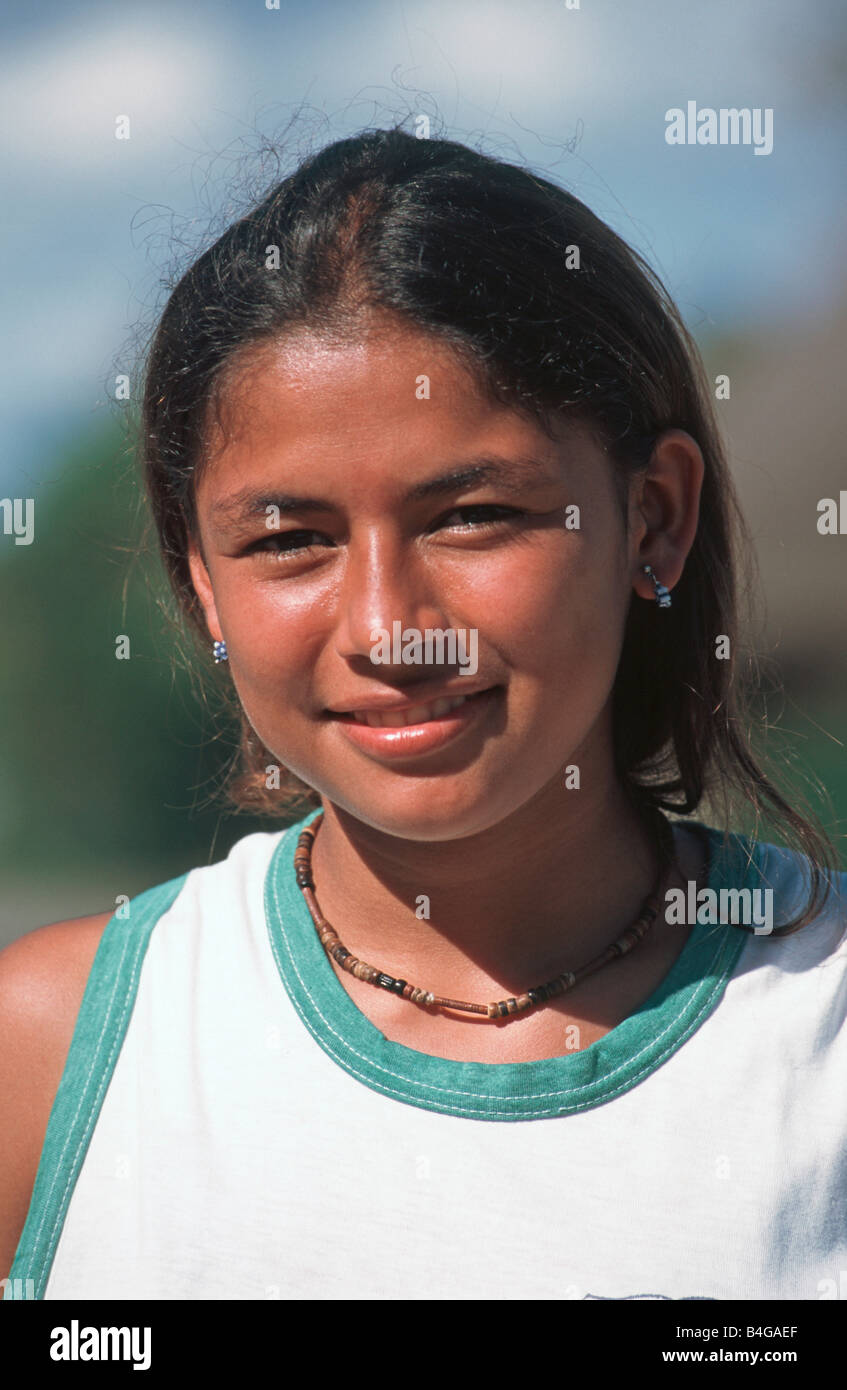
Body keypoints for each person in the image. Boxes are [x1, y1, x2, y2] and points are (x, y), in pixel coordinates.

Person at [1, 126, 845, 1302]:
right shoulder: (56, 1051)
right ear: (202, 582)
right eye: (289, 540)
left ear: (651, 517)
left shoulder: (820, 1030)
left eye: (471, 516)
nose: (390, 629)